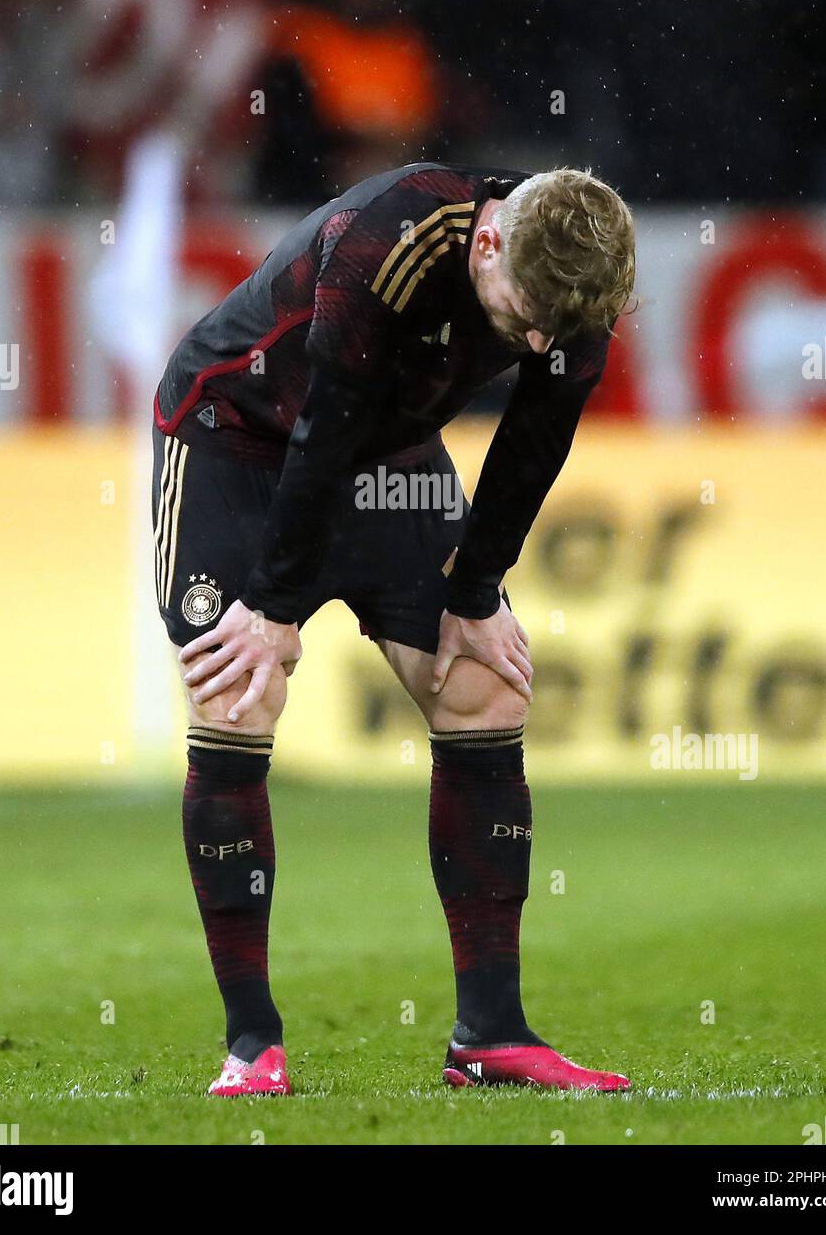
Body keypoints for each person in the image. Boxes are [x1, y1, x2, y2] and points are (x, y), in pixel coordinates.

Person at [152, 162, 635, 1095]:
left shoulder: (571, 287)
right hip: (233, 437)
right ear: (487, 241)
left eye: (557, 329)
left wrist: (475, 591)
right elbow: (321, 428)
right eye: (524, 314)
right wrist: (277, 610)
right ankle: (253, 1042)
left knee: (482, 684)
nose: (538, 339)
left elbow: (532, 446)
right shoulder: (387, 240)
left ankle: (489, 1036)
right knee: (238, 692)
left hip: (389, 451)